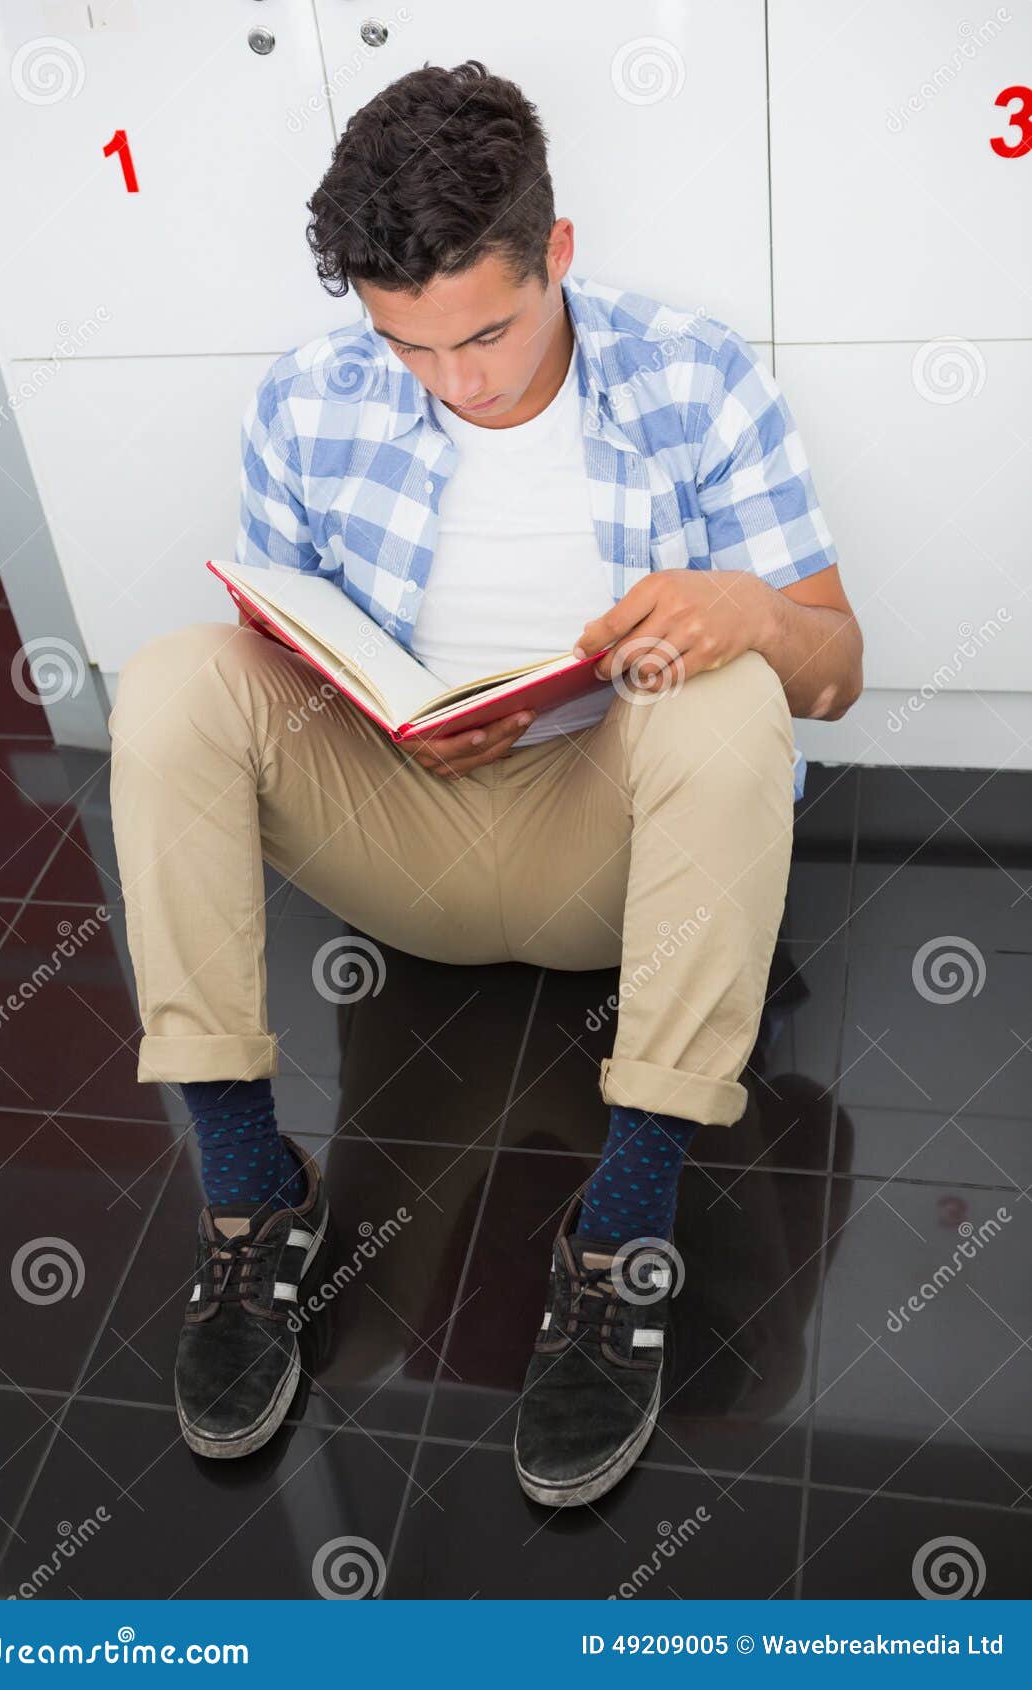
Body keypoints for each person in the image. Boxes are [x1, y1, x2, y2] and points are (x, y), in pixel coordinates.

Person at [108, 59, 862, 1505]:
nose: (459, 381)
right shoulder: (307, 403)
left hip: (619, 860)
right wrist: (372, 710)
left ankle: (625, 1230)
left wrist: (746, 614)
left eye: (490, 333)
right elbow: (284, 650)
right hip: (414, 842)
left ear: (556, 252)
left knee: (737, 696)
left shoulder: (693, 375)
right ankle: (251, 1193)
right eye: (411, 348)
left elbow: (834, 667)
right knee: (173, 676)